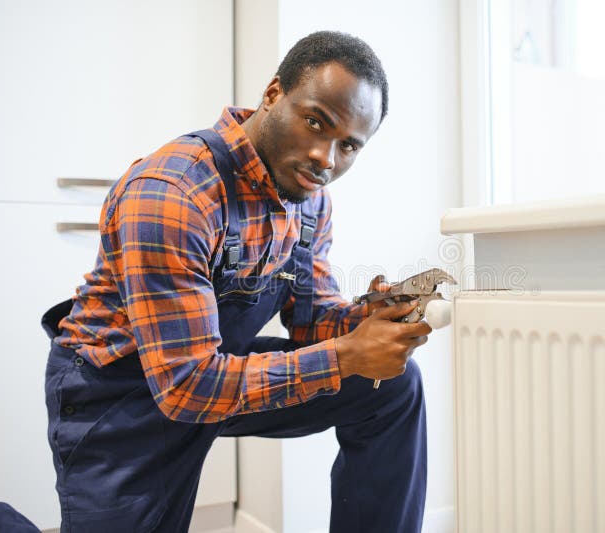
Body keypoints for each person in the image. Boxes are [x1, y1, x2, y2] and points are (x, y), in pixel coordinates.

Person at [41, 30, 431, 532]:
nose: (325, 159)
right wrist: (347, 354)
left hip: (216, 369)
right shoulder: (174, 194)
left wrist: (366, 320)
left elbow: (312, 324)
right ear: (272, 96)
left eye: (348, 145)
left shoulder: (310, 201)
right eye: (316, 122)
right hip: (122, 396)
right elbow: (183, 387)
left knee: (391, 383)